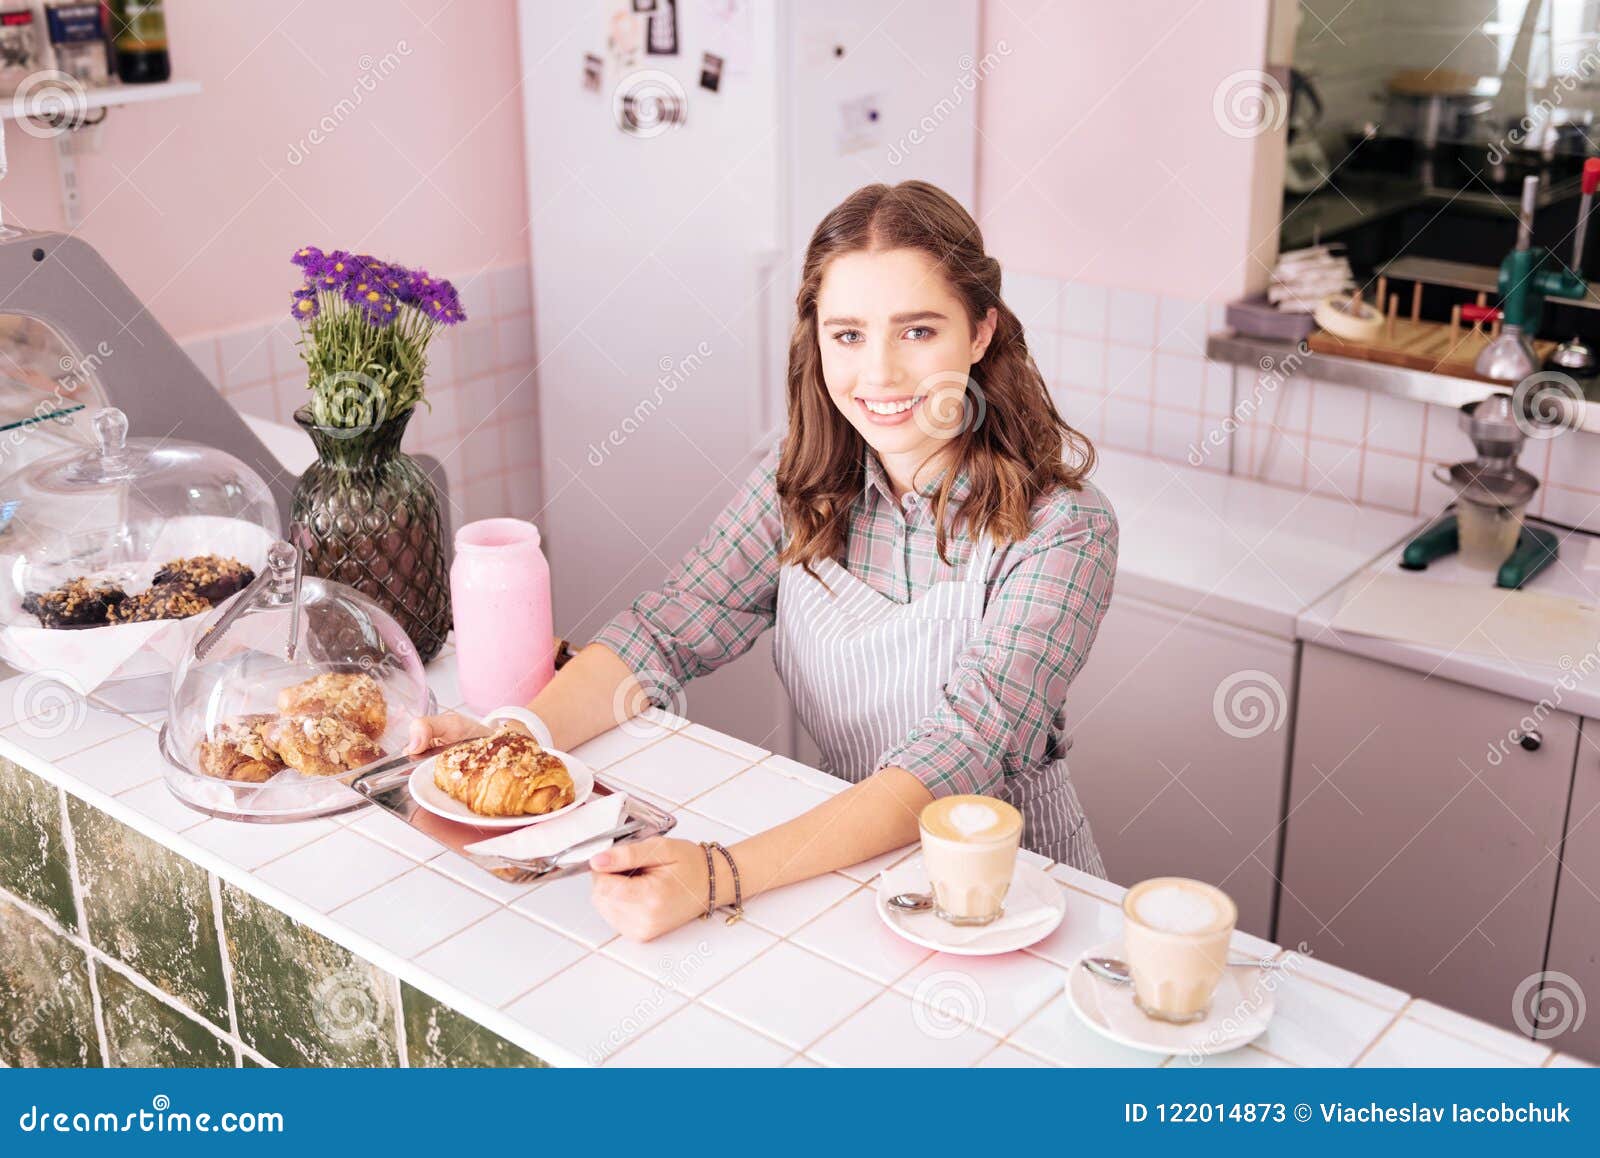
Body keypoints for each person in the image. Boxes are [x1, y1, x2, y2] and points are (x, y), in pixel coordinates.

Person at [410, 180, 1118, 941]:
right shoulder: (800, 487)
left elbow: (961, 754)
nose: (879, 375)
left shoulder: (1063, 531)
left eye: (917, 332)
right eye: (847, 335)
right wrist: (512, 737)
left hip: (1016, 904)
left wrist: (715, 877)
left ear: (980, 333)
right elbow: (667, 631)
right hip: (842, 871)